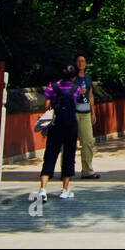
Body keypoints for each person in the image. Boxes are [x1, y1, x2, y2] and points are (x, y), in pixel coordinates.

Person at [37, 65, 84, 201]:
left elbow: (46, 106)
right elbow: (80, 103)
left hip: (55, 124)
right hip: (70, 125)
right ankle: (64, 190)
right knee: (69, 155)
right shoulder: (76, 89)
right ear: (74, 76)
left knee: (50, 155)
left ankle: (43, 189)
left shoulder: (52, 86)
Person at [73, 54, 99, 179]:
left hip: (86, 112)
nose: (81, 63)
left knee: (88, 141)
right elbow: (67, 91)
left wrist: (93, 111)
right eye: (78, 61)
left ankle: (87, 170)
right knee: (70, 142)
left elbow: (90, 95)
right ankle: (67, 170)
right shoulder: (72, 78)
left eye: (83, 61)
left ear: (86, 63)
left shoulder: (88, 78)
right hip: (73, 112)